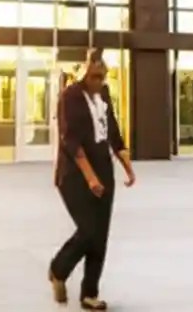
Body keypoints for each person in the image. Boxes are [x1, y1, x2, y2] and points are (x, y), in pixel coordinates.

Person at [48, 49, 136, 311]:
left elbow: (114, 133)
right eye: (95, 76)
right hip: (74, 174)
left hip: (103, 170)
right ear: (85, 74)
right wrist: (90, 178)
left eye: (103, 76)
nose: (99, 81)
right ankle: (58, 269)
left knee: (100, 237)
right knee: (87, 230)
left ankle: (89, 293)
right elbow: (71, 140)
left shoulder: (104, 95)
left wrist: (127, 167)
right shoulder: (70, 97)